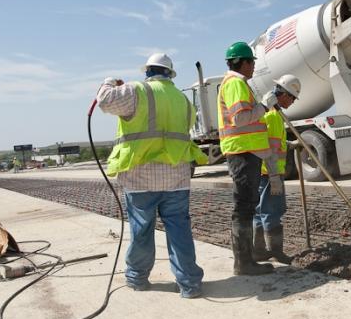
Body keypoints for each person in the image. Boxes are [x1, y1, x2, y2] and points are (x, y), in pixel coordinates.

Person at [98, 53, 207, 298]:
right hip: (177, 176)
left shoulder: (137, 91)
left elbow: (104, 101)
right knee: (179, 230)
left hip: (140, 177)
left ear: (147, 71)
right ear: (170, 74)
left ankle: (137, 278)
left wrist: (109, 81)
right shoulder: (182, 99)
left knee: (142, 230)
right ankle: (189, 284)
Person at [218, 41, 279, 275]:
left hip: (245, 152)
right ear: (242, 63)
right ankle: (243, 264)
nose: (253, 66)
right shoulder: (235, 83)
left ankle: (246, 260)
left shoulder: (237, 83)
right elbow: (241, 119)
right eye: (251, 61)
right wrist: (264, 106)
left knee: (245, 207)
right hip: (242, 153)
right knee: (243, 209)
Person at [252, 74, 301, 265]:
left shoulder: (273, 114)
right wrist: (274, 176)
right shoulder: (273, 116)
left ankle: (258, 251)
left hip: (264, 171)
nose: (293, 102)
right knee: (272, 211)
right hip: (270, 173)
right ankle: (276, 252)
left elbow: (274, 143)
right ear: (284, 95)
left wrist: (289, 143)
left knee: (259, 211)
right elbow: (270, 150)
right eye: (293, 98)